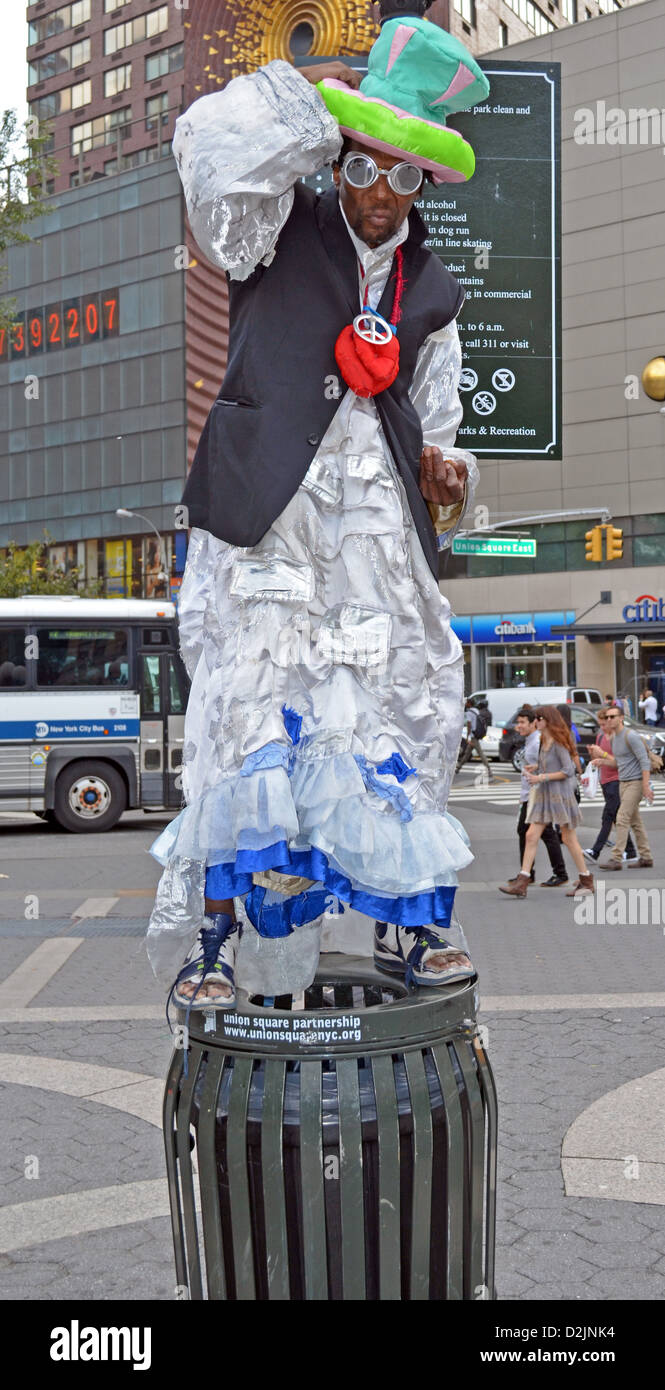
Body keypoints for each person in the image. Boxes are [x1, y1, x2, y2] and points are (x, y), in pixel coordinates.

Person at [145, 15, 492, 1006]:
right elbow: (208, 157)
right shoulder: (268, 232)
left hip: (369, 537)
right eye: (363, 170)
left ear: (424, 184)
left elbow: (440, 420)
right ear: (334, 163)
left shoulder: (434, 292)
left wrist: (449, 472)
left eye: (404, 178)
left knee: (378, 719)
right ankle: (216, 952)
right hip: (267, 516)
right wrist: (303, 91)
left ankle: (414, 929)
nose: (381, 198)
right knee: (249, 721)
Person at [498, 706, 593, 897]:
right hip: (546, 795)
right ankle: (523, 880)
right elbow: (550, 766)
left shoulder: (557, 742)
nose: (536, 721)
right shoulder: (544, 739)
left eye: (539, 718)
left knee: (568, 838)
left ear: (547, 720)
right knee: (531, 835)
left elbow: (568, 770)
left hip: (560, 795)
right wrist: (537, 767)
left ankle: (586, 880)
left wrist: (541, 777)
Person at [508, 706, 568, 886]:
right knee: (535, 833)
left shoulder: (536, 743)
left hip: (539, 794)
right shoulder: (531, 741)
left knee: (545, 834)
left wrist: (536, 781)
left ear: (533, 723)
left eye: (522, 723)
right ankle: (529, 873)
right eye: (518, 722)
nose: (518, 726)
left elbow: (551, 768)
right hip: (532, 793)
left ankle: (544, 873)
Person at [589, 705, 654, 869]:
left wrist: (646, 786)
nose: (609, 720)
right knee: (635, 822)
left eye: (613, 717)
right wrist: (602, 762)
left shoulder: (630, 736)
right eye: (608, 717)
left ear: (621, 718)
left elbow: (644, 761)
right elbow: (619, 763)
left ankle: (616, 858)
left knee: (622, 818)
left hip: (636, 782)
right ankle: (646, 857)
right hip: (623, 783)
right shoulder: (614, 738)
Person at [584, 707, 638, 864]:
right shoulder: (601, 737)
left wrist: (602, 754)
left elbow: (621, 762)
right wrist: (593, 754)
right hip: (605, 781)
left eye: (604, 723)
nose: (602, 727)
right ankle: (631, 851)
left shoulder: (618, 738)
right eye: (600, 724)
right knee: (614, 816)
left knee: (608, 816)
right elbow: (599, 758)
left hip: (618, 780)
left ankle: (595, 851)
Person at [456, 699, 494, 780]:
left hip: (473, 735)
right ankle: (458, 767)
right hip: (477, 734)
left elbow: (469, 724)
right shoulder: (476, 710)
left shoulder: (469, 712)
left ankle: (489, 770)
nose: (465, 704)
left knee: (480, 753)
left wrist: (467, 736)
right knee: (467, 753)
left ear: (469, 704)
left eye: (466, 703)